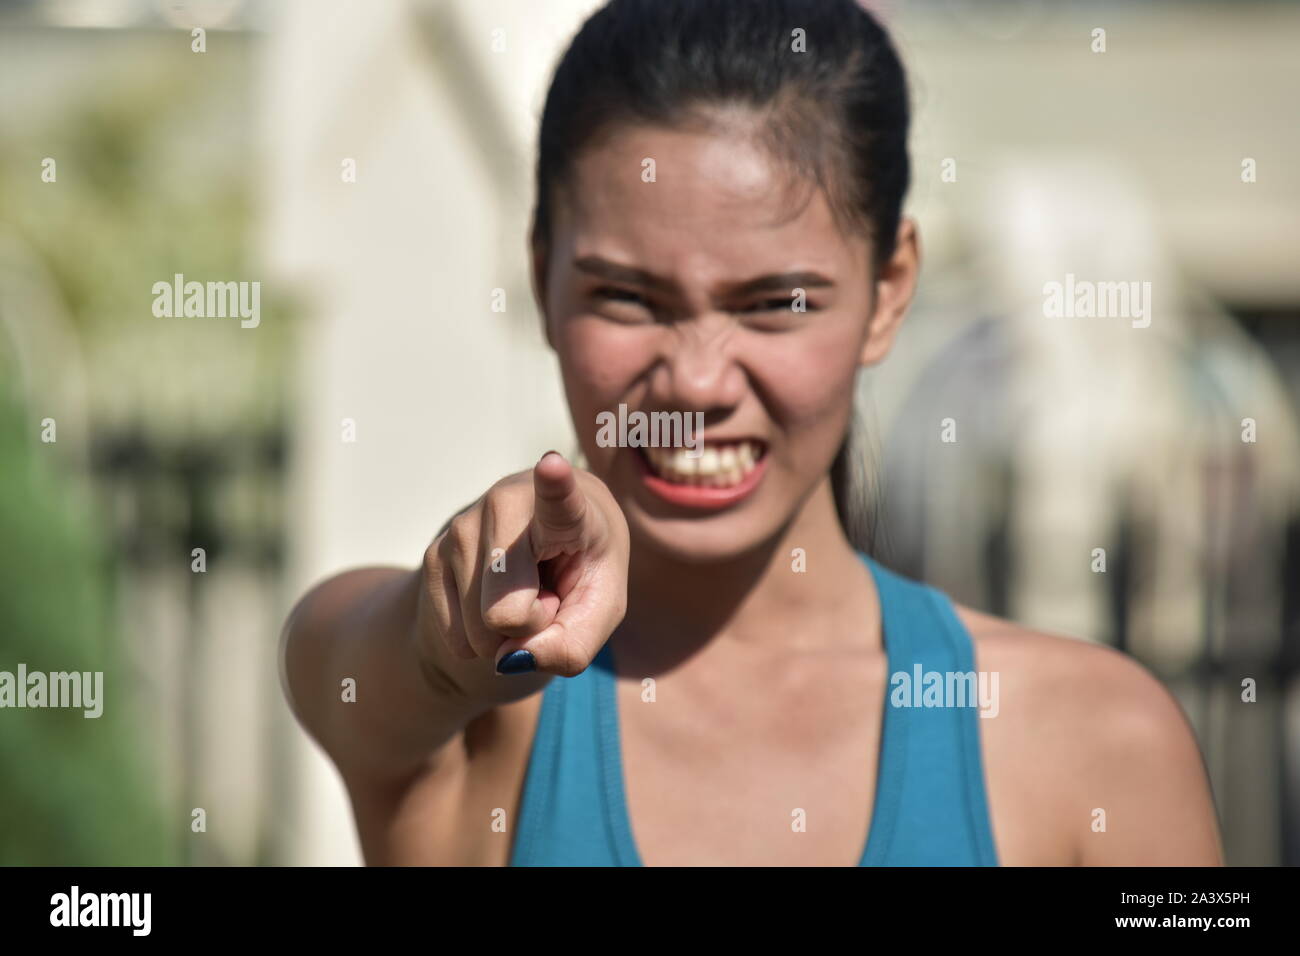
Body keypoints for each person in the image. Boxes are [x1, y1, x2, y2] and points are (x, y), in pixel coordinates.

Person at [280, 0, 1223, 866]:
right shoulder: (474, 720)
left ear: (890, 291)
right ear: (540, 277)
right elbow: (367, 664)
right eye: (626, 296)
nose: (694, 381)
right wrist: (457, 627)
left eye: (777, 302)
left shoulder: (1099, 747)